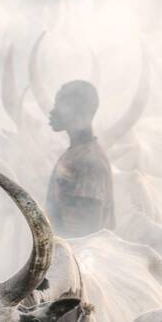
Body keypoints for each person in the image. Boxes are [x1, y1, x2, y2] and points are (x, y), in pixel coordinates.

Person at [44, 79, 115, 237]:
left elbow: (86, 237)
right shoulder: (77, 154)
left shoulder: (88, 162)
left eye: (59, 104)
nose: (52, 111)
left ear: (78, 112)